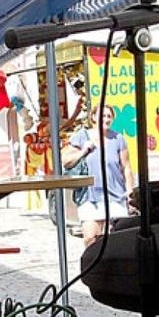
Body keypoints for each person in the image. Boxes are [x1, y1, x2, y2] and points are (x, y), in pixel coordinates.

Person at [62, 105, 133, 247]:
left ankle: (110, 268)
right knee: (90, 238)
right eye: (102, 115)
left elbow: (126, 168)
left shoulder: (118, 139)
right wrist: (84, 150)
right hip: (89, 196)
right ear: (93, 117)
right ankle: (92, 267)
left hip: (114, 196)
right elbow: (65, 161)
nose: (106, 119)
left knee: (113, 240)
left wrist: (130, 194)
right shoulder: (82, 136)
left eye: (109, 116)